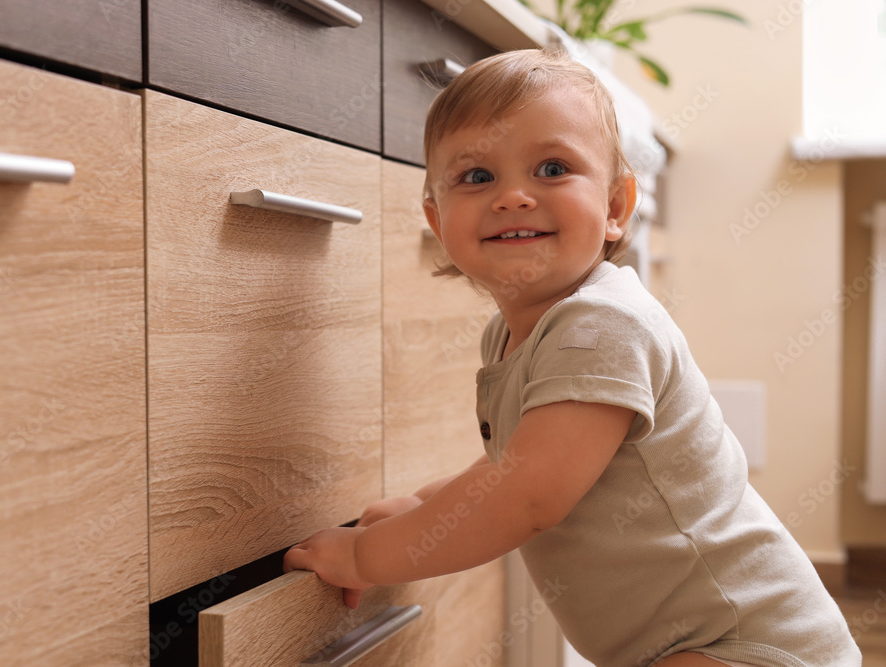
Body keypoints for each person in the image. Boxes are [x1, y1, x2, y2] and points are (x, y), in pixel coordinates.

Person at [283, 48, 861, 666]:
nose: (512, 197)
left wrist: (366, 556)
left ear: (615, 208)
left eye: (552, 168)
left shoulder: (602, 325)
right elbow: (519, 465)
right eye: (477, 177)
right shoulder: (514, 333)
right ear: (436, 216)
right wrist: (427, 508)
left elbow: (529, 496)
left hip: (744, 643)